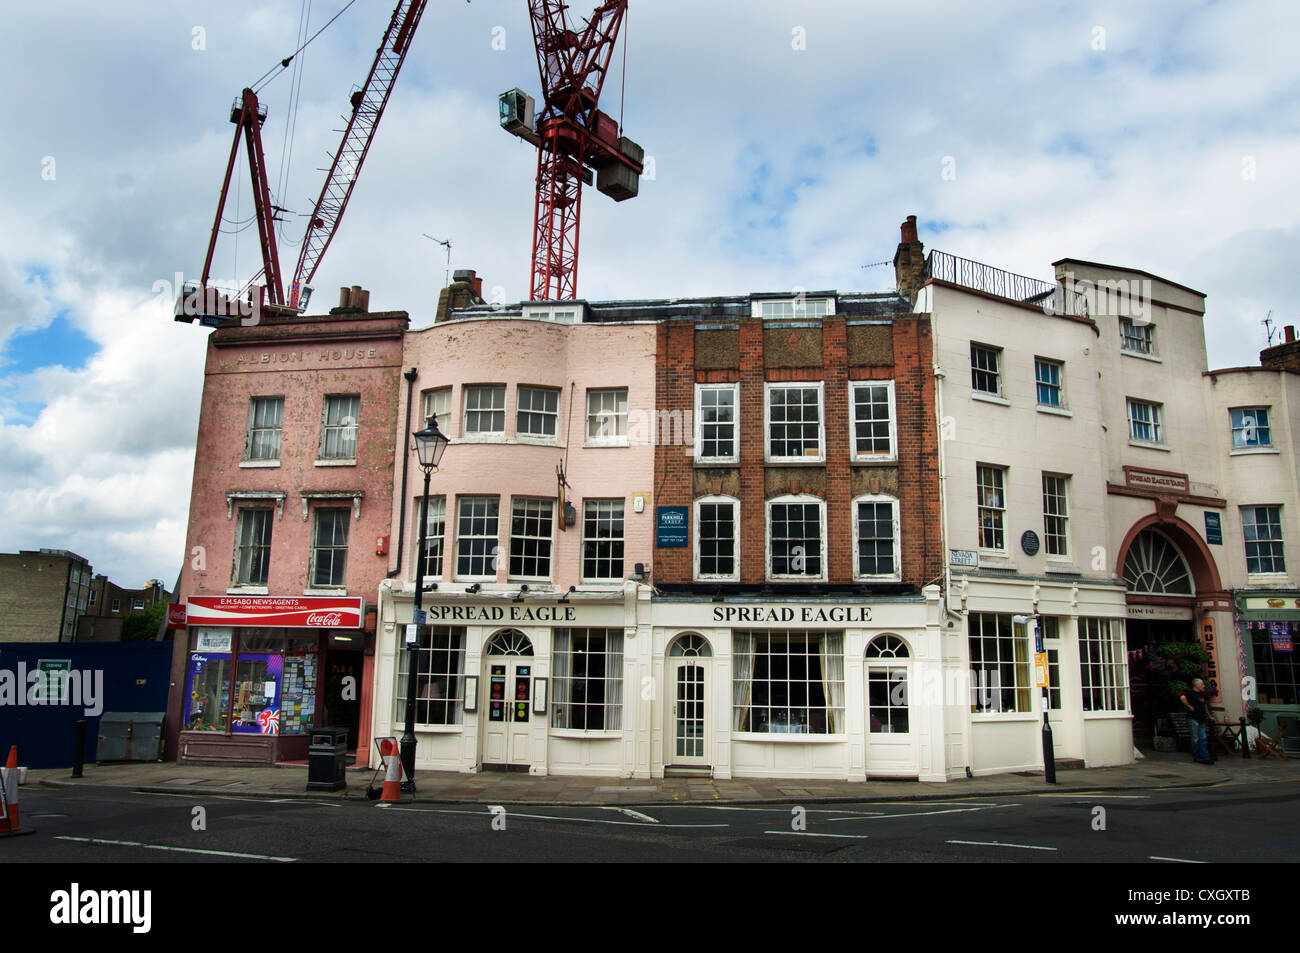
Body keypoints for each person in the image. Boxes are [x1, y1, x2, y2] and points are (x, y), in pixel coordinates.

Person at [1179, 678, 1213, 764]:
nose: (1203, 686)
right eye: (1201, 684)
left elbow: (1204, 705)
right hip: (1193, 718)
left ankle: (1205, 756)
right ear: (1196, 685)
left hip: (1201, 718)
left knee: (1203, 738)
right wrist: (1190, 706)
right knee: (1195, 738)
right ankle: (1197, 756)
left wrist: (1209, 715)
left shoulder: (1201, 694)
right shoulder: (1191, 693)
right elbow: (1182, 697)